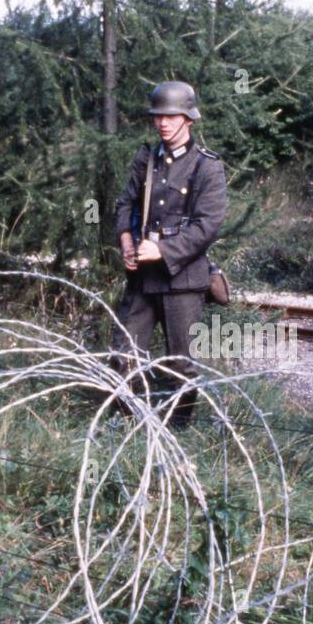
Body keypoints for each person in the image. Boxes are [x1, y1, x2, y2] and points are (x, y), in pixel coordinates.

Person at [111, 80, 226, 428]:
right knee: (124, 353)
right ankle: (126, 423)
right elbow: (125, 203)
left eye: (172, 116)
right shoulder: (146, 159)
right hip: (142, 278)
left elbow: (208, 226)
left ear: (188, 119)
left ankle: (179, 430)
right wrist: (126, 239)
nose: (163, 123)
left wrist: (161, 250)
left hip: (183, 279)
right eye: (158, 116)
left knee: (181, 362)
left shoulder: (206, 166)